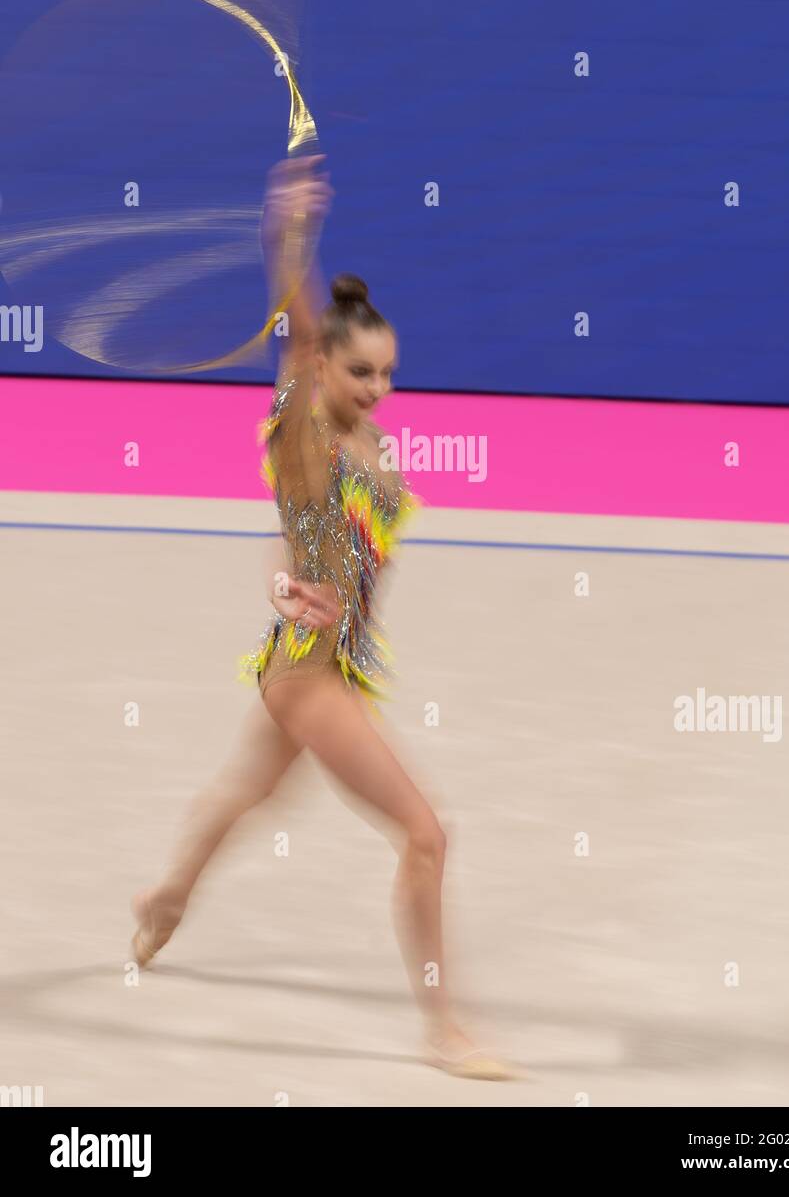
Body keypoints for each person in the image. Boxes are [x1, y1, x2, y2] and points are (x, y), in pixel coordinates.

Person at [131, 154, 511, 1080]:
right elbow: (296, 331)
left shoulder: (367, 437)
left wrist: (287, 579)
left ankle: (168, 895)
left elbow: (311, 546)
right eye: (360, 372)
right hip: (307, 669)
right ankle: (442, 1031)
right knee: (426, 834)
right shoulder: (305, 423)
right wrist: (284, 232)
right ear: (325, 366)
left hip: (325, 657)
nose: (378, 389)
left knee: (254, 789)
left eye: (386, 373)